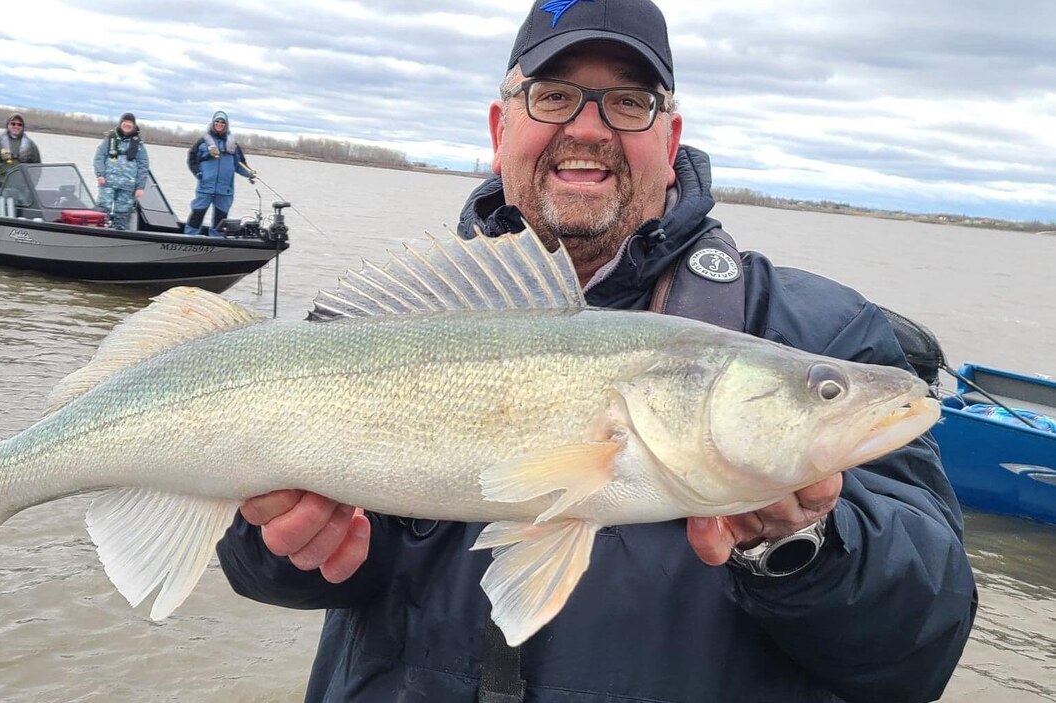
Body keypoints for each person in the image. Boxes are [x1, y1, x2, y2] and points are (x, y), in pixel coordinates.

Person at [216, 1, 978, 701]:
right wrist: (280, 544)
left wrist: (810, 545)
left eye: (628, 101)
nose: (588, 127)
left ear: (670, 137)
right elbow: (269, 560)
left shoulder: (821, 330)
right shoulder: (376, 327)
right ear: (499, 128)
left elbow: (923, 645)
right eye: (553, 95)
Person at [184, 110, 257, 235]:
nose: (219, 124)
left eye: (222, 122)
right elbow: (192, 160)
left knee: (220, 219)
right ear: (213, 123)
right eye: (217, 121)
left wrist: (249, 174)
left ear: (226, 124)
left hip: (225, 190)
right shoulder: (202, 142)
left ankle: (216, 240)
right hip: (205, 187)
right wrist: (198, 174)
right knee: (197, 214)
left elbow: (240, 165)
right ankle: (189, 237)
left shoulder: (233, 144)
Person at [93, 112, 150, 230]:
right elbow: (99, 157)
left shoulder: (138, 144)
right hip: (107, 182)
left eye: (130, 123)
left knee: (123, 213)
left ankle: (118, 234)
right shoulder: (110, 139)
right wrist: (100, 175)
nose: (127, 124)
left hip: (128, 185)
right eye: (125, 122)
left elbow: (143, 166)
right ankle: (97, 232)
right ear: (121, 123)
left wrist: (140, 187)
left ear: (134, 126)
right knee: (103, 208)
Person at [0, 113, 41, 193]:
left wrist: (32, 184)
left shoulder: (31, 145)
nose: (16, 126)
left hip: (22, 187)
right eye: (13, 123)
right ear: (8, 125)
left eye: (19, 125)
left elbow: (37, 167)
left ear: (23, 127)